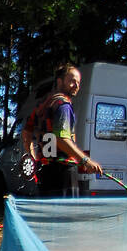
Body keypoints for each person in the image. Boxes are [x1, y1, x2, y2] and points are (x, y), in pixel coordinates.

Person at [20, 64, 106, 197]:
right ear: (60, 81)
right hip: (63, 174)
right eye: (72, 81)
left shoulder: (43, 104)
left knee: (48, 215)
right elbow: (61, 139)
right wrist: (86, 161)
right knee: (66, 216)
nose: (76, 85)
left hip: (45, 171)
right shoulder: (63, 105)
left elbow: (26, 133)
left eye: (78, 82)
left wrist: (33, 157)